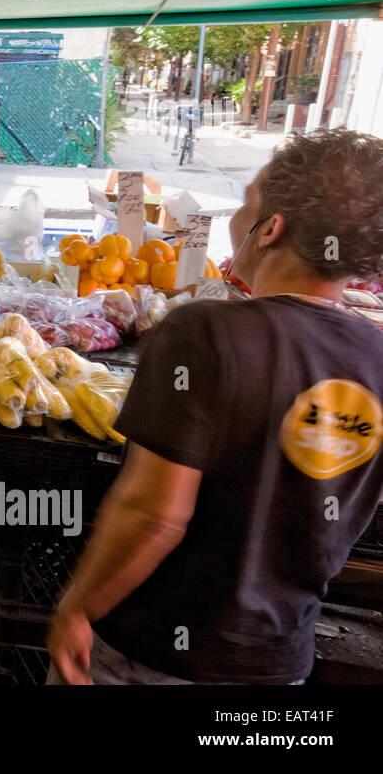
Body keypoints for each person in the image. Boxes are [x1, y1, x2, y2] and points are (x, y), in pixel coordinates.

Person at [47, 128, 383, 685]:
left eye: (247, 202)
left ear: (271, 228)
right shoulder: (376, 354)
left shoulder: (204, 333)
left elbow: (155, 513)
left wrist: (78, 607)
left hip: (152, 656)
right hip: (278, 662)